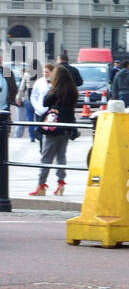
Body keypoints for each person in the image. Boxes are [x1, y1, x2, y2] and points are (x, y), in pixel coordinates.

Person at [30, 62, 79, 196]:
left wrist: (51, 87)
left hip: (53, 126)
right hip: (67, 127)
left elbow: (46, 102)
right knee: (61, 156)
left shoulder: (56, 90)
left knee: (46, 156)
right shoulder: (72, 90)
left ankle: (41, 185)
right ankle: (61, 183)